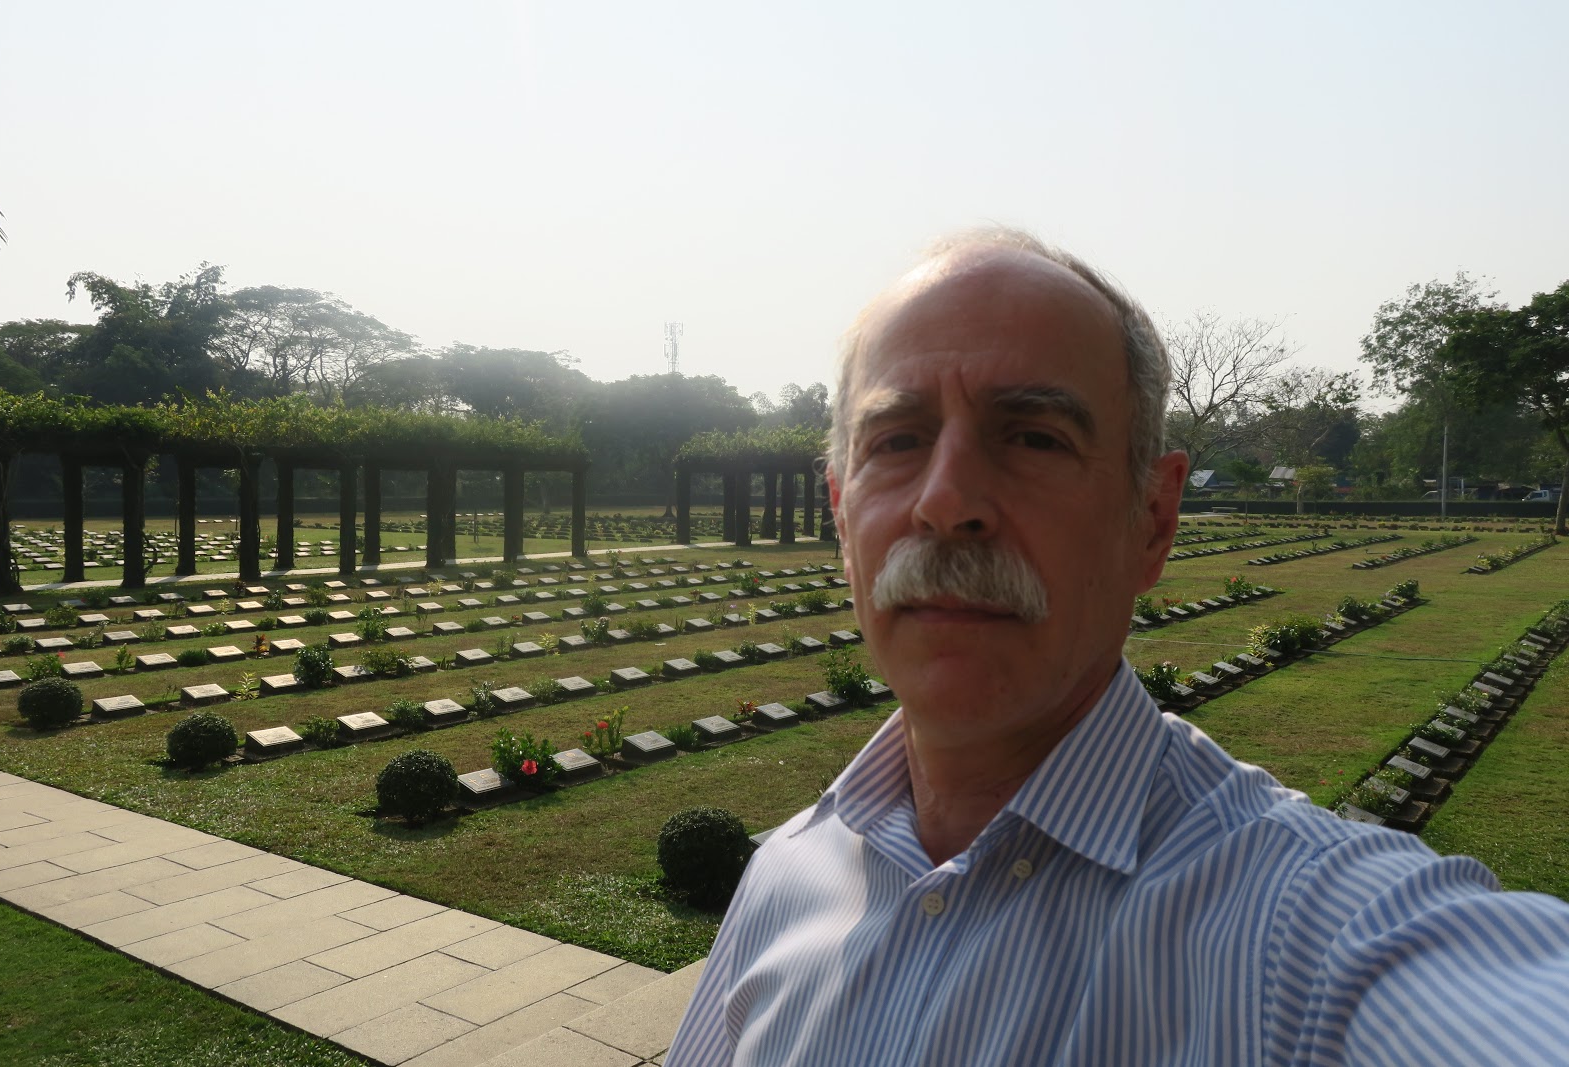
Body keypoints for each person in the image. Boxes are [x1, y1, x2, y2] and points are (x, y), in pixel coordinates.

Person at [666, 228, 1569, 1065]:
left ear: (1153, 516)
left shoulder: (1304, 933)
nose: (946, 500)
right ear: (840, 511)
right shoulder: (783, 874)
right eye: (896, 440)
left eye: (1032, 436)